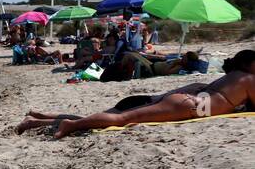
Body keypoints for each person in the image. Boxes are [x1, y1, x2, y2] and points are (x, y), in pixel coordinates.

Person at [17, 51, 255, 138]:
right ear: (248, 65)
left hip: (184, 99)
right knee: (121, 119)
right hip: (189, 106)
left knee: (106, 117)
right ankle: (70, 125)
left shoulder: (229, 77)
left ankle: (39, 120)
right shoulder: (248, 79)